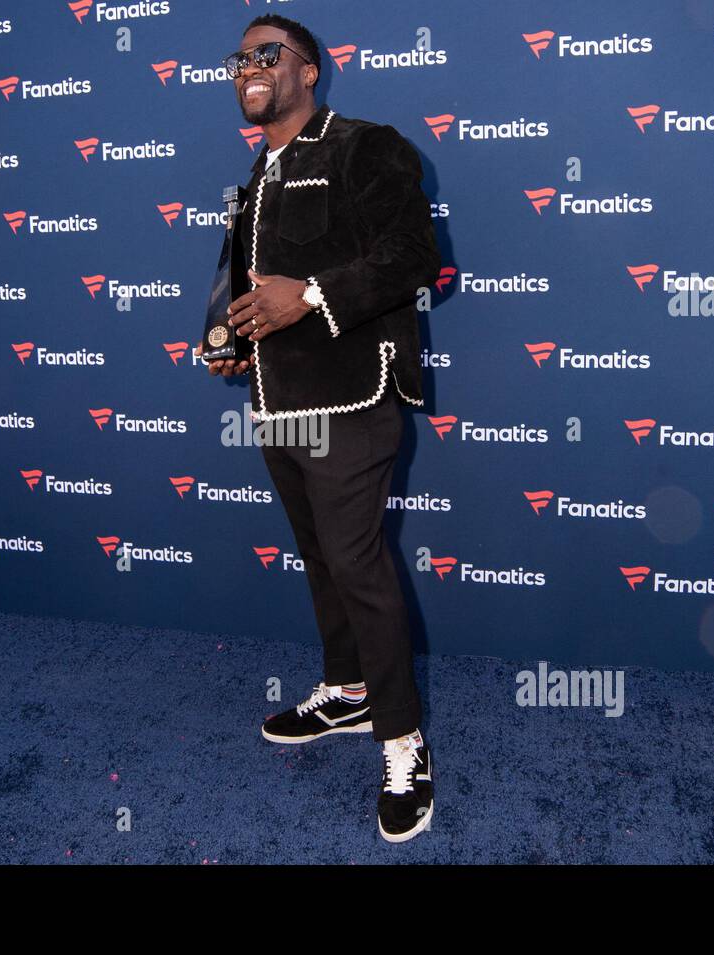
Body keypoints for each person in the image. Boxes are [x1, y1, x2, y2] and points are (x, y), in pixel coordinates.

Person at [195, 13, 441, 843]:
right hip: (277, 398)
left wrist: (310, 294)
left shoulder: (367, 147)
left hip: (350, 398)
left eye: (270, 55)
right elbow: (245, 279)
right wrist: (228, 340)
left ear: (311, 72)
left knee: (358, 563)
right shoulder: (257, 172)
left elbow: (414, 256)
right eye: (241, 58)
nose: (250, 68)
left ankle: (403, 741)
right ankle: (347, 688)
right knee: (322, 557)